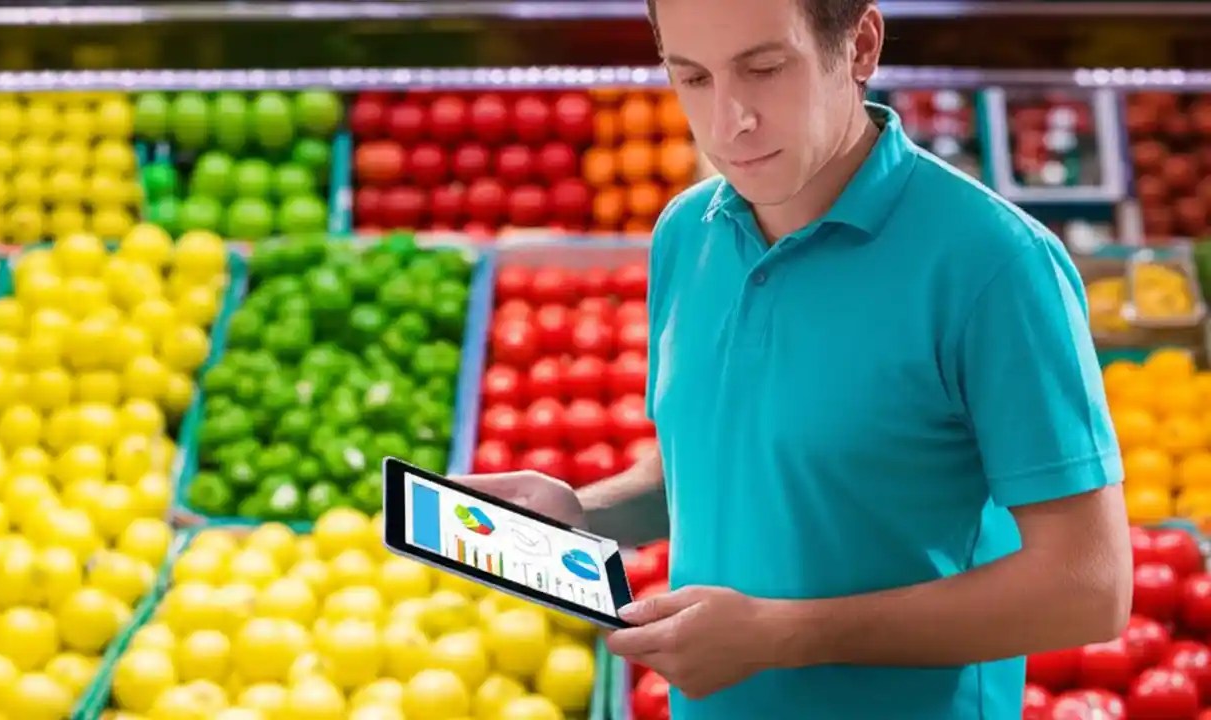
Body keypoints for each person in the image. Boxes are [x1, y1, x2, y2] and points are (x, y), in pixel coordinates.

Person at [459, 0, 1133, 717]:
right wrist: (585, 515)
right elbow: (728, 460)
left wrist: (782, 637)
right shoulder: (687, 233)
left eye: (765, 69)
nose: (728, 121)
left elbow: (1088, 589)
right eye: (692, 78)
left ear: (861, 46)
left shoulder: (996, 266)